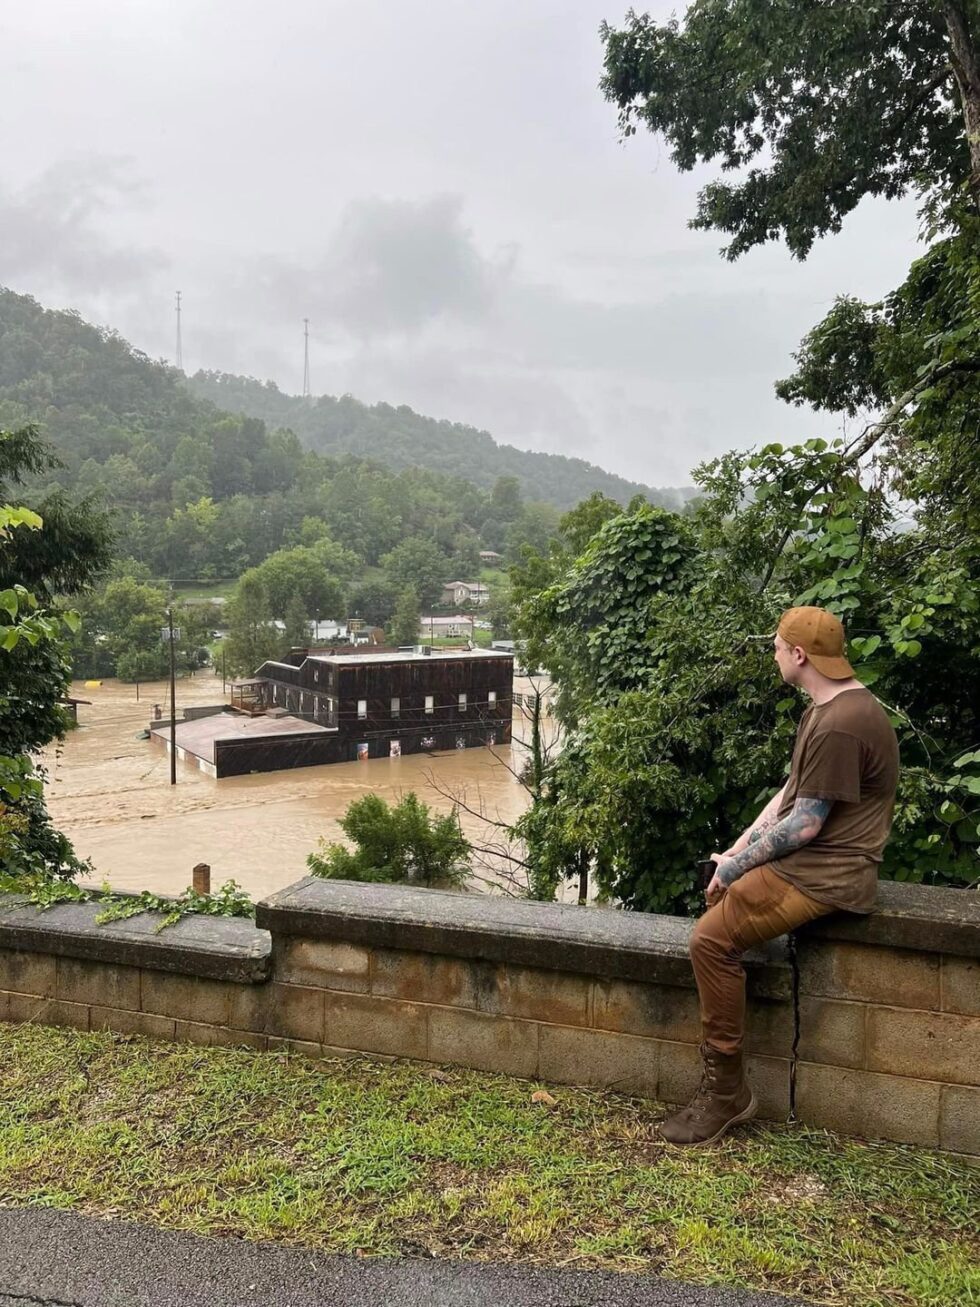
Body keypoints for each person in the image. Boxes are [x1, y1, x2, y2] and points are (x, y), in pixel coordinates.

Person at [659, 605, 899, 1147]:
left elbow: (807, 826)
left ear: (799, 655)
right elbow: (789, 798)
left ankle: (726, 1095)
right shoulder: (830, 707)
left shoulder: (841, 724)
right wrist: (734, 854)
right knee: (721, 913)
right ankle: (723, 1087)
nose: (772, 654)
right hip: (808, 864)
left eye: (776, 646)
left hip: (828, 873)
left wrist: (738, 867)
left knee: (710, 941)